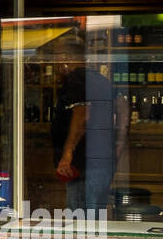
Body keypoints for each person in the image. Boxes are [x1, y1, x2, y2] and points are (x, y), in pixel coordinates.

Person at [52, 34, 129, 213]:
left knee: (79, 219)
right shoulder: (101, 80)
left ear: (66, 57)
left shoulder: (76, 79)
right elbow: (123, 107)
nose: (56, 62)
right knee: (95, 217)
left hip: (81, 165)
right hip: (102, 161)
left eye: (57, 56)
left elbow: (81, 114)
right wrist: (118, 143)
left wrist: (67, 153)